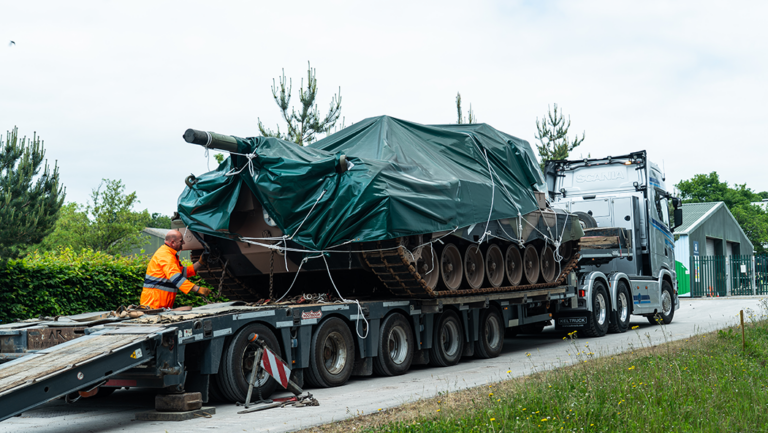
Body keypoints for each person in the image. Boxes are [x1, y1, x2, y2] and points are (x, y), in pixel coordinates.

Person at [139, 229, 210, 309]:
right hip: (153, 306)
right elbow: (176, 278)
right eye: (181, 241)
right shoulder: (165, 256)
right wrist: (198, 289)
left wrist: (200, 263)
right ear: (172, 243)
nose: (183, 243)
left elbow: (182, 272)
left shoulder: (169, 254)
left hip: (158, 306)